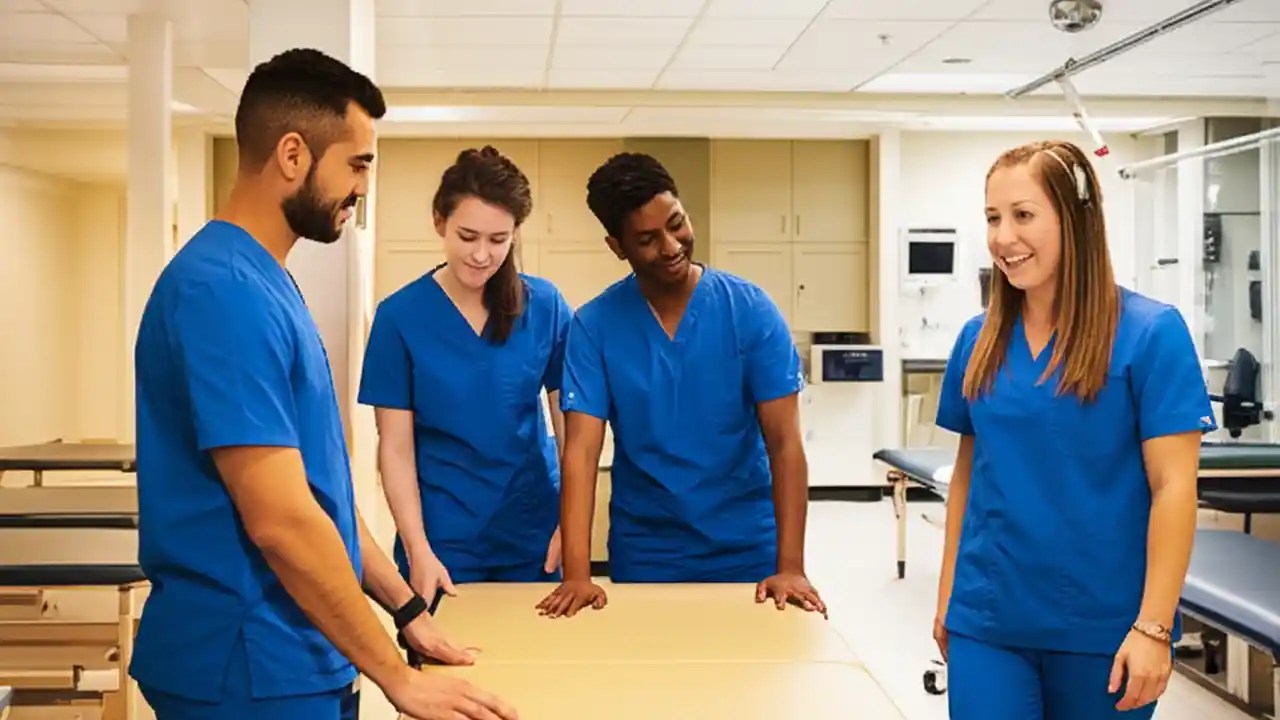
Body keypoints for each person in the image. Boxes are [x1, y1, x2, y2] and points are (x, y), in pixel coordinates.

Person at [129, 49, 517, 720]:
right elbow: (282, 520)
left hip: (295, 654)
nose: (362, 187)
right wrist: (396, 677)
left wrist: (405, 608)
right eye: (357, 164)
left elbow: (320, 494)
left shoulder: (264, 281)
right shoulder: (223, 293)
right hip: (247, 665)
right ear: (292, 155)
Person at [933, 139, 1212, 719]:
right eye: (993, 218)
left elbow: (1174, 488)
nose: (1003, 237)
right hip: (989, 619)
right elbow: (967, 477)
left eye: (1023, 215)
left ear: (1075, 219)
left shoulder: (1151, 334)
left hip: (1104, 627)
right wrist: (948, 599)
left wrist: (1155, 627)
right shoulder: (977, 340)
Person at [534, 152, 826, 618]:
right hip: (648, 551)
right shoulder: (595, 326)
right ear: (617, 246)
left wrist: (791, 566)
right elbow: (581, 453)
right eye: (647, 239)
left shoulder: (750, 311)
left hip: (748, 549)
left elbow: (785, 443)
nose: (671, 246)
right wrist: (577, 575)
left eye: (677, 224)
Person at [358, 146, 571, 609]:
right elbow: (395, 449)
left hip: (533, 532)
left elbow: (571, 427)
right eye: (467, 236)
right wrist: (418, 548)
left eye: (498, 240)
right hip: (443, 541)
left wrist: (570, 523)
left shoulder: (545, 306)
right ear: (440, 222)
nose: (481, 254)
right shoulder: (399, 318)